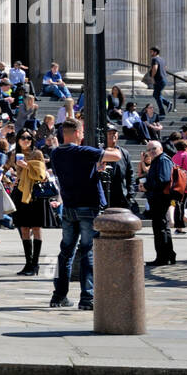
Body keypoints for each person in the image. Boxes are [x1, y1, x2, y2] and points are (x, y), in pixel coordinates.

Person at [48, 118, 120, 309]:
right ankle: (87, 298)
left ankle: (59, 295)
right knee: (88, 251)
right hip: (88, 205)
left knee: (66, 252)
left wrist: (94, 167)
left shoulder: (56, 153)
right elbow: (116, 157)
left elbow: (74, 171)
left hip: (69, 206)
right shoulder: (83, 151)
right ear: (78, 133)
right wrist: (106, 153)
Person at [8, 133, 56, 275]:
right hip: (21, 193)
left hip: (35, 193)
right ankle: (28, 264)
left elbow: (42, 173)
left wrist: (27, 166)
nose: (26, 140)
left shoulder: (37, 153)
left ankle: (35, 264)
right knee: (23, 228)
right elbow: (5, 169)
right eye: (23, 138)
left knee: (35, 228)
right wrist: (11, 181)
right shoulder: (14, 154)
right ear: (18, 140)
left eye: (29, 138)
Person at [140, 140, 177, 268]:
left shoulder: (162, 160)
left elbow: (163, 179)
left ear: (160, 148)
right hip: (158, 198)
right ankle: (167, 256)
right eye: (148, 150)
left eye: (153, 149)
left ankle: (163, 257)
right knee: (161, 227)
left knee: (160, 228)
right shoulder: (159, 160)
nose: (151, 152)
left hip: (160, 198)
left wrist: (146, 186)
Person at [147, 45, 170, 116]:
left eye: (151, 52)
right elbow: (165, 68)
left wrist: (152, 77)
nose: (150, 53)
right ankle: (167, 103)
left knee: (157, 95)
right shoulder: (162, 59)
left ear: (155, 52)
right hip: (164, 79)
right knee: (156, 95)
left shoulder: (154, 59)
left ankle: (162, 110)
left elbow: (155, 68)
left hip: (159, 80)